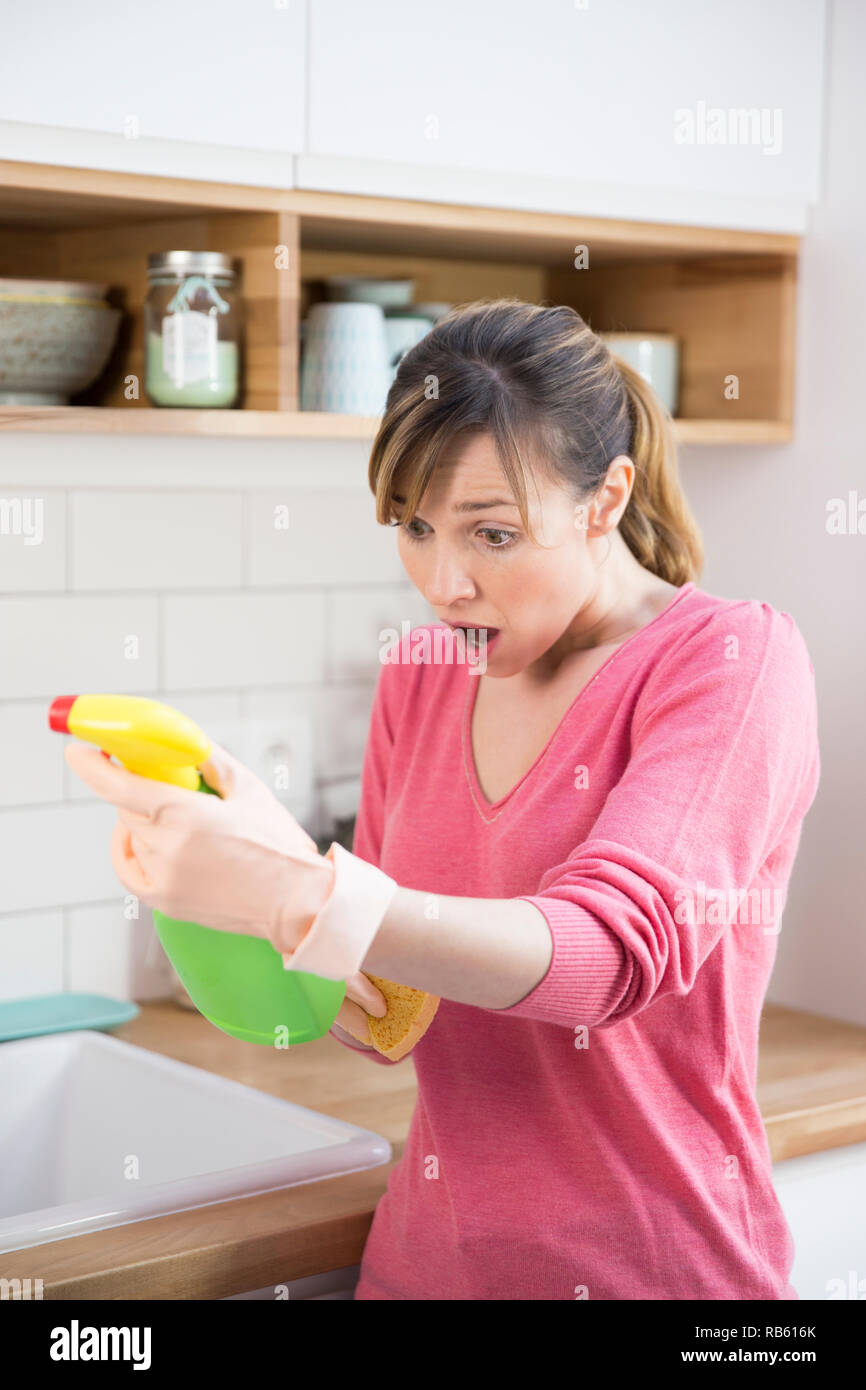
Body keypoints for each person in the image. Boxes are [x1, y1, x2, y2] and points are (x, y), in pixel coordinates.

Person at [67, 300, 820, 1301]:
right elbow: (385, 1010)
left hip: (650, 1271)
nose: (443, 581)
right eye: (415, 526)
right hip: (427, 1268)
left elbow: (601, 957)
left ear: (605, 498)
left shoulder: (728, 662)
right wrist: (246, 857)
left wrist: (297, 896)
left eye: (491, 533)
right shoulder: (425, 668)